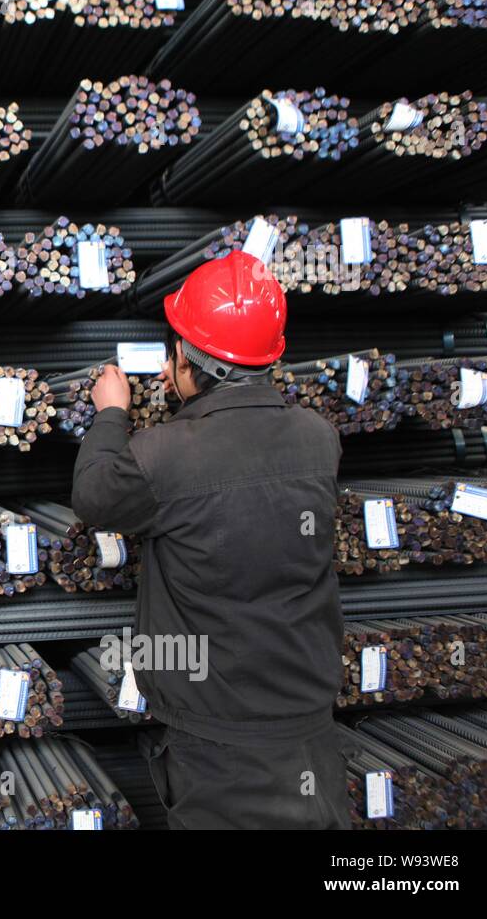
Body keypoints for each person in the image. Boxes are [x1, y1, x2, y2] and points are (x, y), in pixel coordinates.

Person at [71, 250, 350, 829]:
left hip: (218, 742)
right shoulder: (319, 439)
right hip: (311, 726)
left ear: (186, 363)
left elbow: (96, 497)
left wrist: (111, 415)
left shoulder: (164, 455)